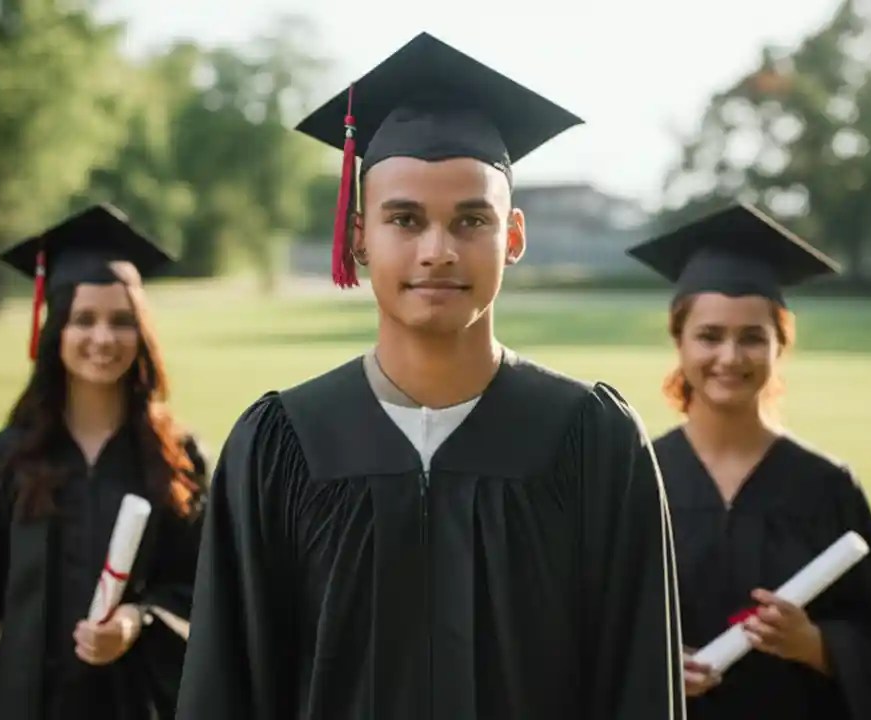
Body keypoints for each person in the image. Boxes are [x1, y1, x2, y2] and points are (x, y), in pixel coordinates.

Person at [177, 32, 685, 720]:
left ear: (514, 235)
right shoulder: (281, 446)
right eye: (405, 219)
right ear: (359, 234)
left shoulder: (591, 442)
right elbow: (225, 690)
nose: (437, 250)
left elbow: (639, 687)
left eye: (471, 219)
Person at [625, 201, 871, 719]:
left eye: (753, 338)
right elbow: (590, 627)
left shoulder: (826, 487)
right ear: (679, 340)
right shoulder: (637, 479)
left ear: (781, 344)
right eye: (710, 336)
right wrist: (653, 666)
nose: (730, 357)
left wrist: (814, 644)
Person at [0, 204, 210, 720]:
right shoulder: (4, 460)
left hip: (137, 704)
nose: (103, 339)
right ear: (56, 329)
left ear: (141, 334)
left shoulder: (178, 459)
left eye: (121, 322)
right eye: (84, 319)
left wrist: (138, 620)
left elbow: (204, 595)